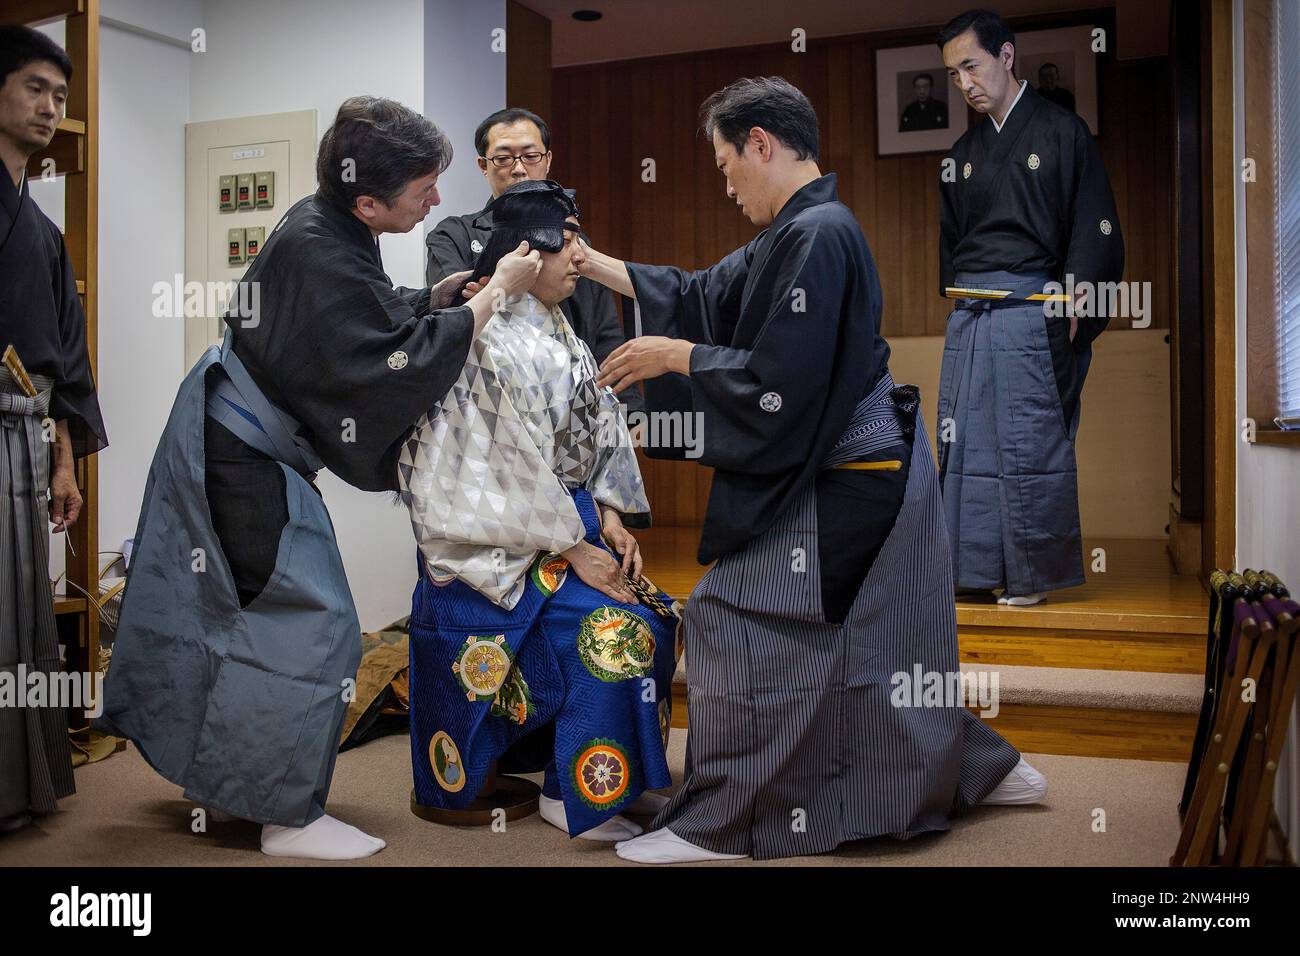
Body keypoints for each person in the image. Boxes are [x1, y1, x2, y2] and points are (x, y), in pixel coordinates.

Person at [579, 76, 1045, 864]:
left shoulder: (819, 233)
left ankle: (724, 823)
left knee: (732, 617)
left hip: (850, 467)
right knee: (876, 645)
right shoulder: (795, 230)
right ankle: (975, 770)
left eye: (727, 164)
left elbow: (780, 383)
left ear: (760, 143)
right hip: (857, 459)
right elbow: (698, 295)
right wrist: (592, 264)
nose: (725, 184)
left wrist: (677, 356)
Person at [98, 96, 541, 860]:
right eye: (422, 189)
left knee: (253, 618)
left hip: (237, 432)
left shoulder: (330, 222)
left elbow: (358, 319)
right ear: (369, 199)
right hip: (241, 445)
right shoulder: (319, 241)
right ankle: (286, 818)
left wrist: (431, 299)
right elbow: (379, 363)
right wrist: (496, 295)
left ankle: (239, 786)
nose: (437, 199)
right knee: (314, 623)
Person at [402, 179, 679, 841]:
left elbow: (600, 427)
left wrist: (610, 514)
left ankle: (625, 772)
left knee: (658, 614)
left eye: (581, 237)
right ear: (528, 252)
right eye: (569, 241)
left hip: (568, 524)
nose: (580, 256)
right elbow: (494, 468)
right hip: (500, 549)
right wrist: (572, 545)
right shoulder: (485, 338)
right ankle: (572, 789)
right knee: (616, 631)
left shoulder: (561, 329)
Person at [937, 9, 1123, 606]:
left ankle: (1029, 577)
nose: (963, 82)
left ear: (1006, 56)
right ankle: (972, 571)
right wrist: (958, 299)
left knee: (1028, 443)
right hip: (973, 314)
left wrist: (1080, 291)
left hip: (1034, 307)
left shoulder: (1063, 132)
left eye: (971, 64)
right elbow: (952, 242)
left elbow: (1094, 223)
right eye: (953, 72)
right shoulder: (962, 152)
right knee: (966, 445)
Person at [0, 26, 107, 834]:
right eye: (35, 87)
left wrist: (64, 464)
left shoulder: (39, 230)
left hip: (25, 440)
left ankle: (21, 784)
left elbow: (64, 364)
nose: (50, 106)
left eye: (61, 97)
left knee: (22, 608)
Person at [425, 107, 643, 418]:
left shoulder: (579, 245)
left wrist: (628, 412)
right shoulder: (453, 234)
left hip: (574, 409)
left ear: (548, 160)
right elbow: (453, 316)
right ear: (483, 165)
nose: (518, 169)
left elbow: (604, 334)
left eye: (530, 156)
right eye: (503, 158)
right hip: (489, 410)